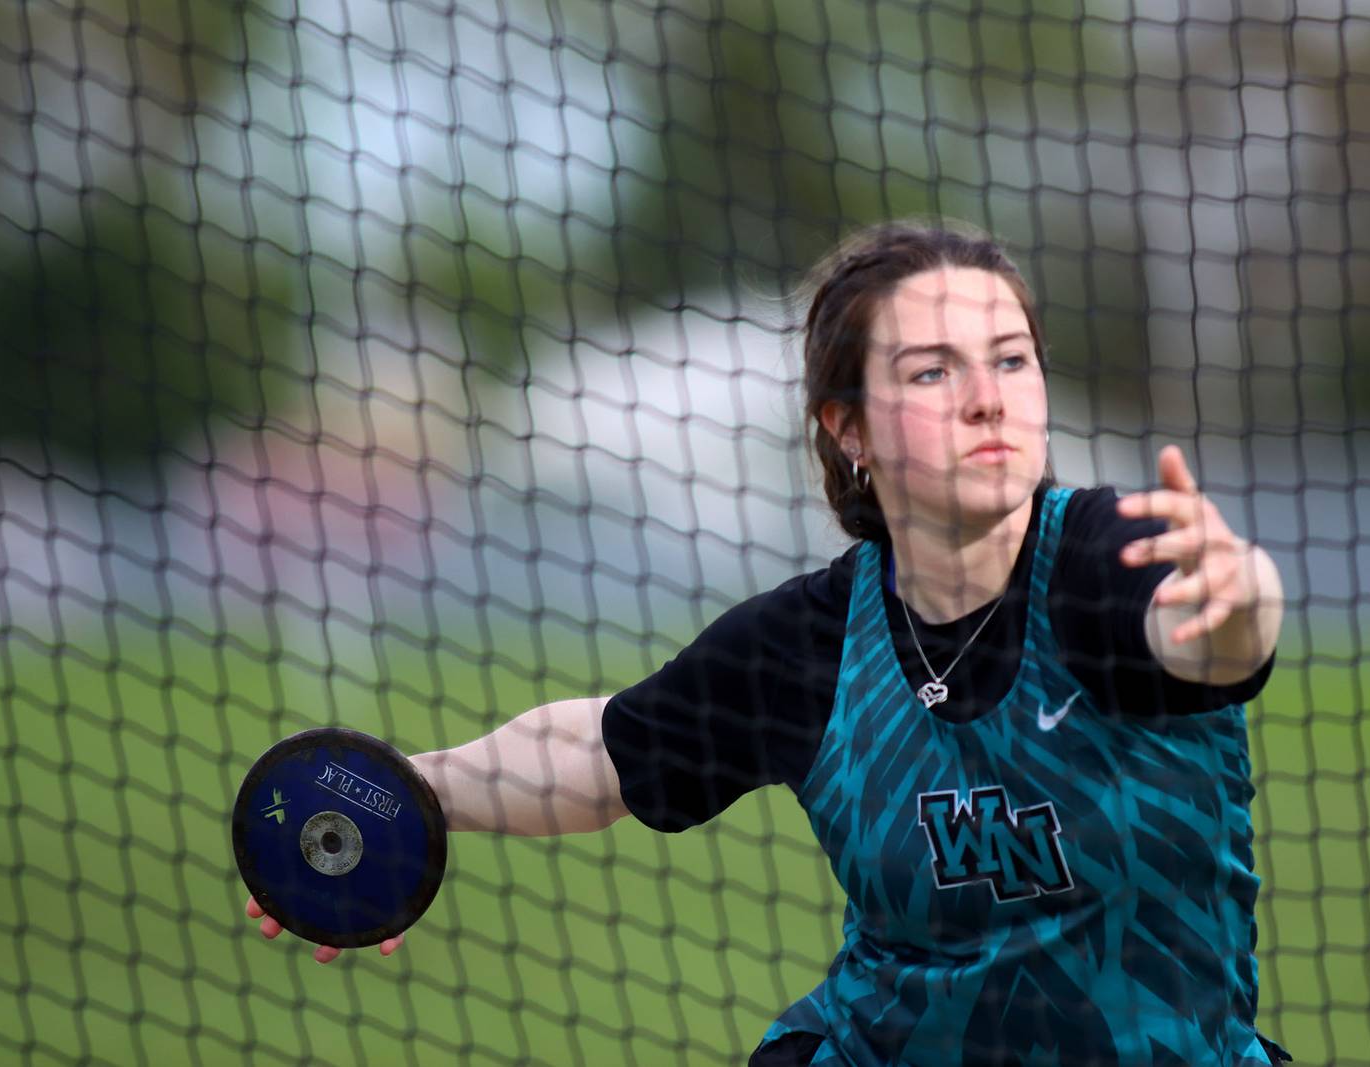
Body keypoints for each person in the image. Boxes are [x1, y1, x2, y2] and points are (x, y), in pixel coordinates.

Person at [244, 222, 1290, 1065]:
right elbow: (603, 755)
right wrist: (400, 789)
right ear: (848, 428)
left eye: (1010, 359)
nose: (987, 397)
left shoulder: (1112, 560)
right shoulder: (814, 641)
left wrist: (1240, 593)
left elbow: (1214, 640)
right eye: (932, 372)